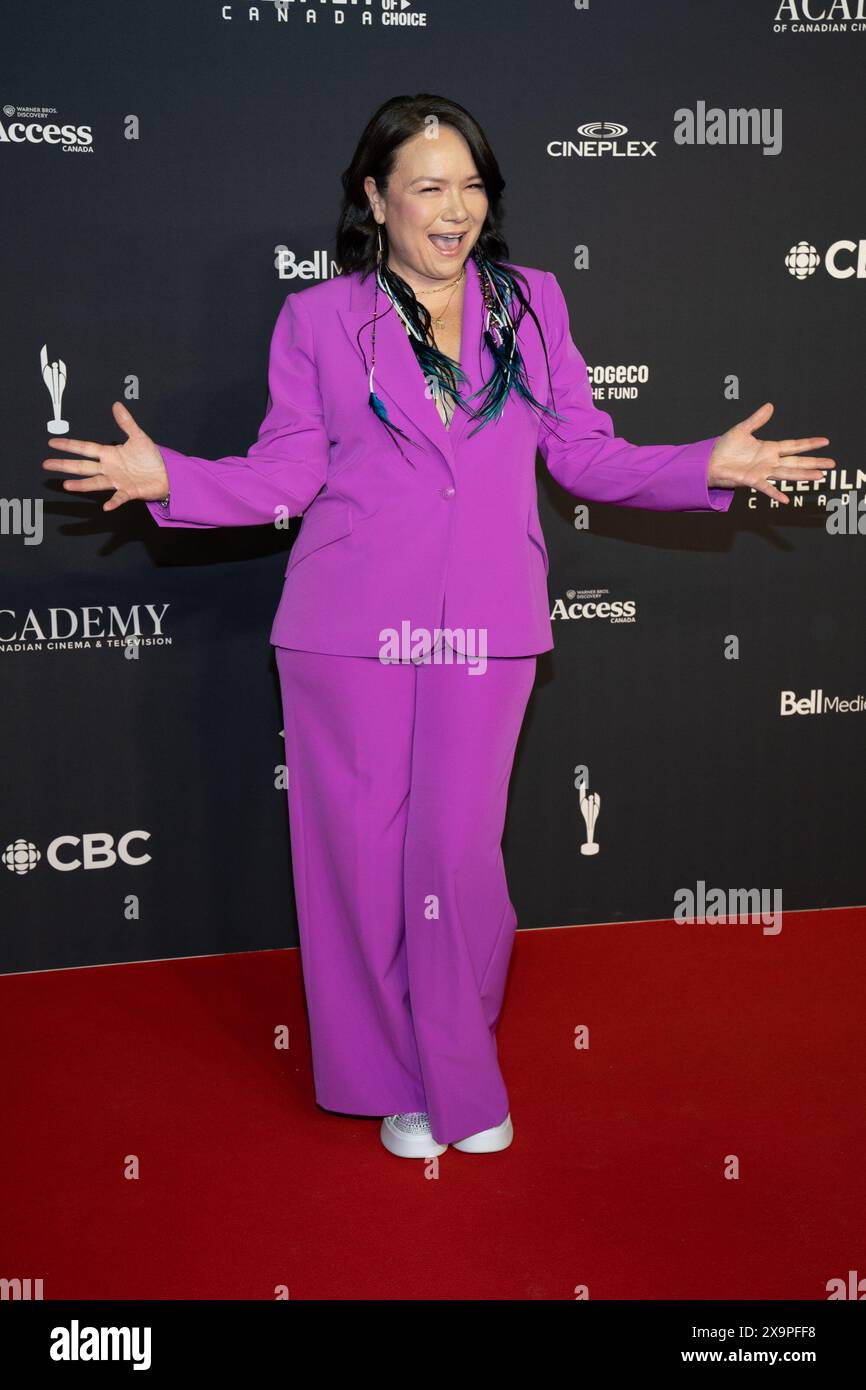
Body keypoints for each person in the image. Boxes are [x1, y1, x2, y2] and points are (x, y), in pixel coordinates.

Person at [42, 93, 833, 1160]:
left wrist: (704, 463)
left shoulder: (533, 303)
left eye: (469, 186)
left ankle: (456, 1079)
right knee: (359, 866)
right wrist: (169, 476)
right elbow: (289, 471)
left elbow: (582, 454)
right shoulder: (318, 320)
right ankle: (382, 1079)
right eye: (426, 186)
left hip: (487, 628)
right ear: (374, 199)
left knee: (455, 856)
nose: (452, 209)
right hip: (346, 629)